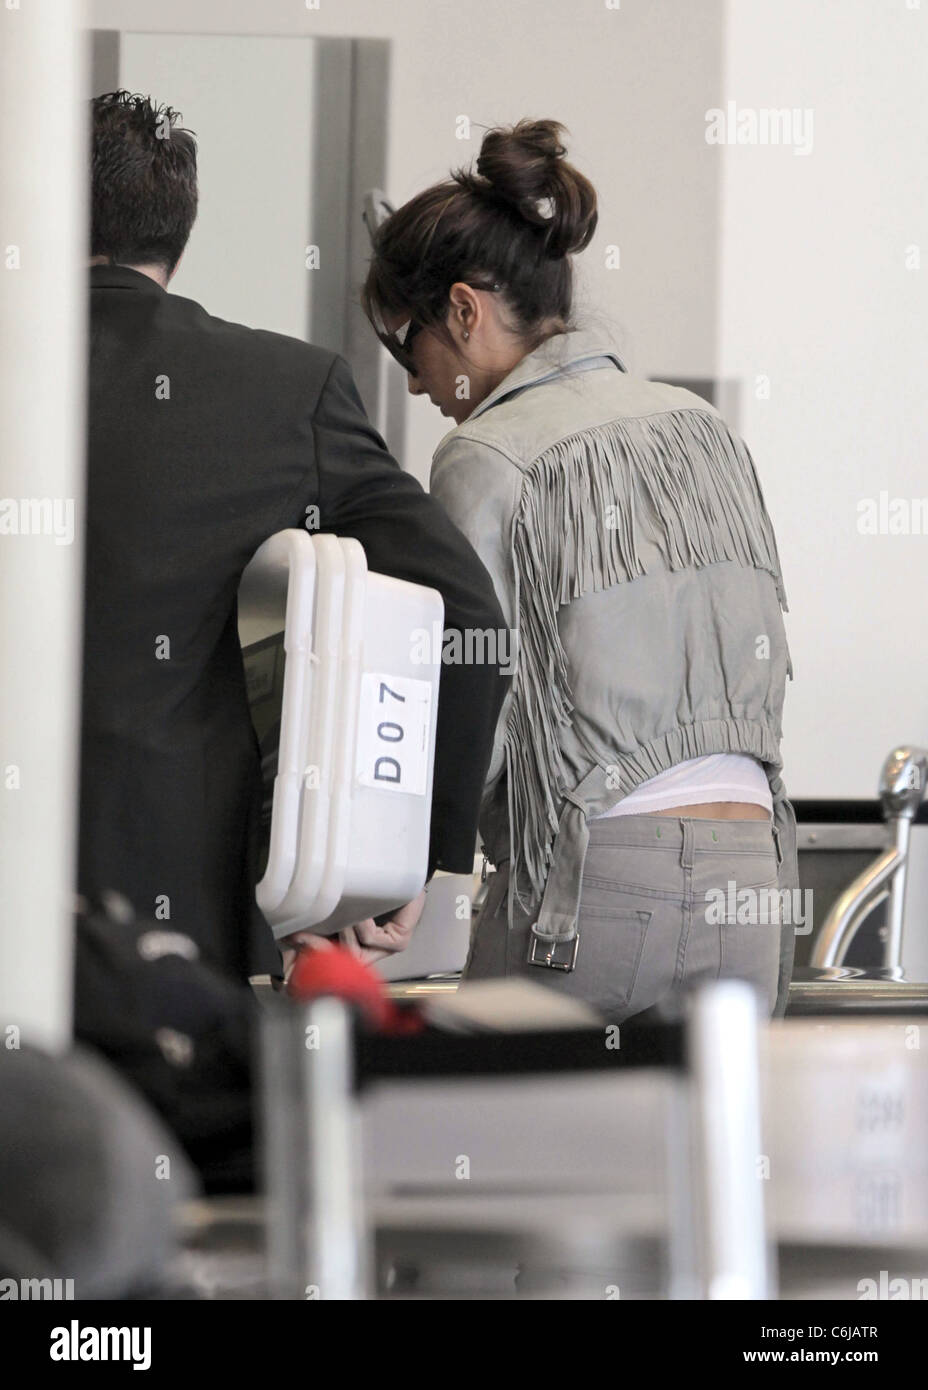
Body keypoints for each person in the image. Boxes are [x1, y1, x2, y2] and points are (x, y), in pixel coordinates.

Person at [362, 119, 800, 1022]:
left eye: (410, 350)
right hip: (755, 879)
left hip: (597, 882)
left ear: (464, 310)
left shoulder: (487, 453)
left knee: (507, 1155)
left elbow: (479, 687)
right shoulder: (703, 428)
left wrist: (408, 867)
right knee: (697, 1162)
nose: (414, 386)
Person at [81, 92, 508, 981]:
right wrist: (416, 854)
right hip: (180, 908)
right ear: (179, 236)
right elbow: (468, 616)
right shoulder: (285, 388)